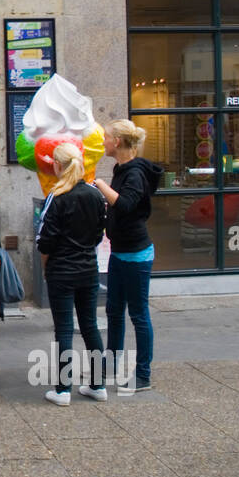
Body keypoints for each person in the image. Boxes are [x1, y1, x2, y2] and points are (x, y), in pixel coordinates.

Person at [92, 119, 162, 394]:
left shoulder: (134, 174)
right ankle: (111, 362)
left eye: (107, 138)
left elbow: (126, 204)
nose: (104, 142)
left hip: (136, 255)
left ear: (118, 142)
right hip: (120, 252)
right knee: (113, 310)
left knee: (139, 314)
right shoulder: (121, 168)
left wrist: (99, 184)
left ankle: (143, 374)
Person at [38, 143, 109, 406]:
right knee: (90, 326)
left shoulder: (56, 196)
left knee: (64, 329)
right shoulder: (94, 195)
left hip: (61, 270)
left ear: (57, 165)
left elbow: (45, 241)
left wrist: (46, 267)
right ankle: (98, 384)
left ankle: (63, 389)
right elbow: (99, 233)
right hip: (88, 269)